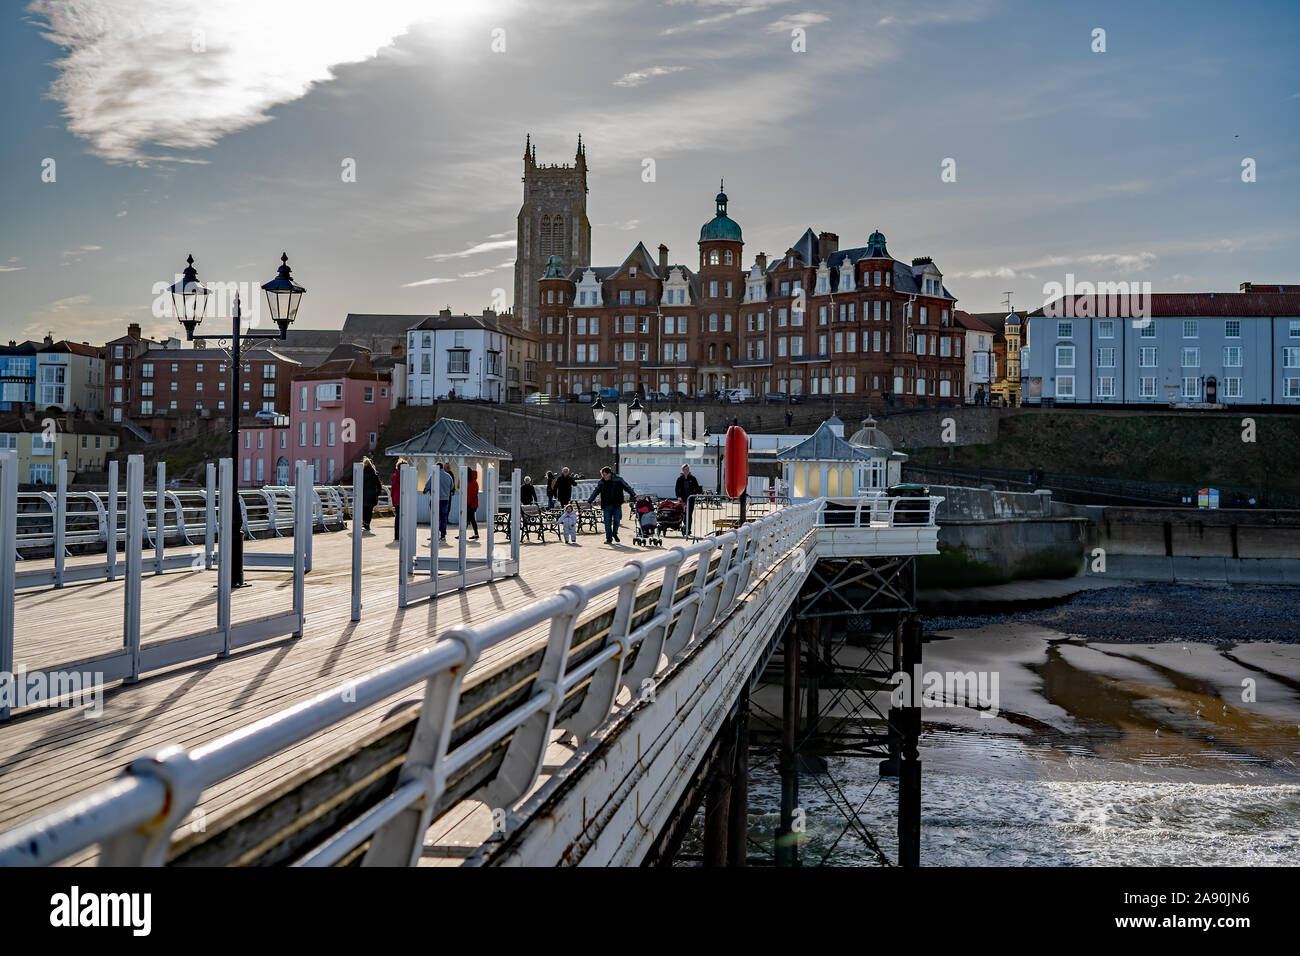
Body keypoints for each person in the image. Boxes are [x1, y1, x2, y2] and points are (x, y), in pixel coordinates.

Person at [587, 466, 636, 544]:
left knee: (617, 521)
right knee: (607, 523)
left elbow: (627, 487)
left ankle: (615, 533)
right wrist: (589, 501)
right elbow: (595, 492)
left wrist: (633, 494)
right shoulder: (601, 482)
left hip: (617, 504)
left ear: (609, 474)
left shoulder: (618, 480)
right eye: (602, 475)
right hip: (606, 505)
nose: (604, 477)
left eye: (605, 475)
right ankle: (609, 539)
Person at [675, 463, 703, 537]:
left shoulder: (693, 478)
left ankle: (688, 529)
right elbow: (676, 489)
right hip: (683, 500)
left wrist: (697, 493)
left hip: (691, 499)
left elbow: (697, 487)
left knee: (689, 514)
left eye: (688, 469)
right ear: (683, 470)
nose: (687, 470)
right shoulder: (679, 479)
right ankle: (685, 527)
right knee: (684, 514)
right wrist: (678, 496)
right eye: (685, 469)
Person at [360, 456, 381, 533]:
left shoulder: (361, 474)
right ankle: (367, 523)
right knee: (369, 511)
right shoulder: (374, 474)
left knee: (363, 510)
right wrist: (376, 494)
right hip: (371, 496)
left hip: (362, 496)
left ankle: (364, 522)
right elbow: (379, 486)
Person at [390, 459, 405, 540]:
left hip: (397, 499)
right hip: (405, 499)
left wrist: (392, 498)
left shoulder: (395, 475)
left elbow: (393, 488)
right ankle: (404, 534)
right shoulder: (407, 475)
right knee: (405, 517)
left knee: (398, 517)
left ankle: (397, 535)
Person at [464, 467, 480, 540]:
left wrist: (469, 503)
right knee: (470, 518)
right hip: (470, 503)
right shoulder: (470, 481)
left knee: (469, 518)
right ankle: (475, 533)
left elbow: (474, 494)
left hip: (471, 504)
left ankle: (463, 533)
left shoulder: (473, 482)